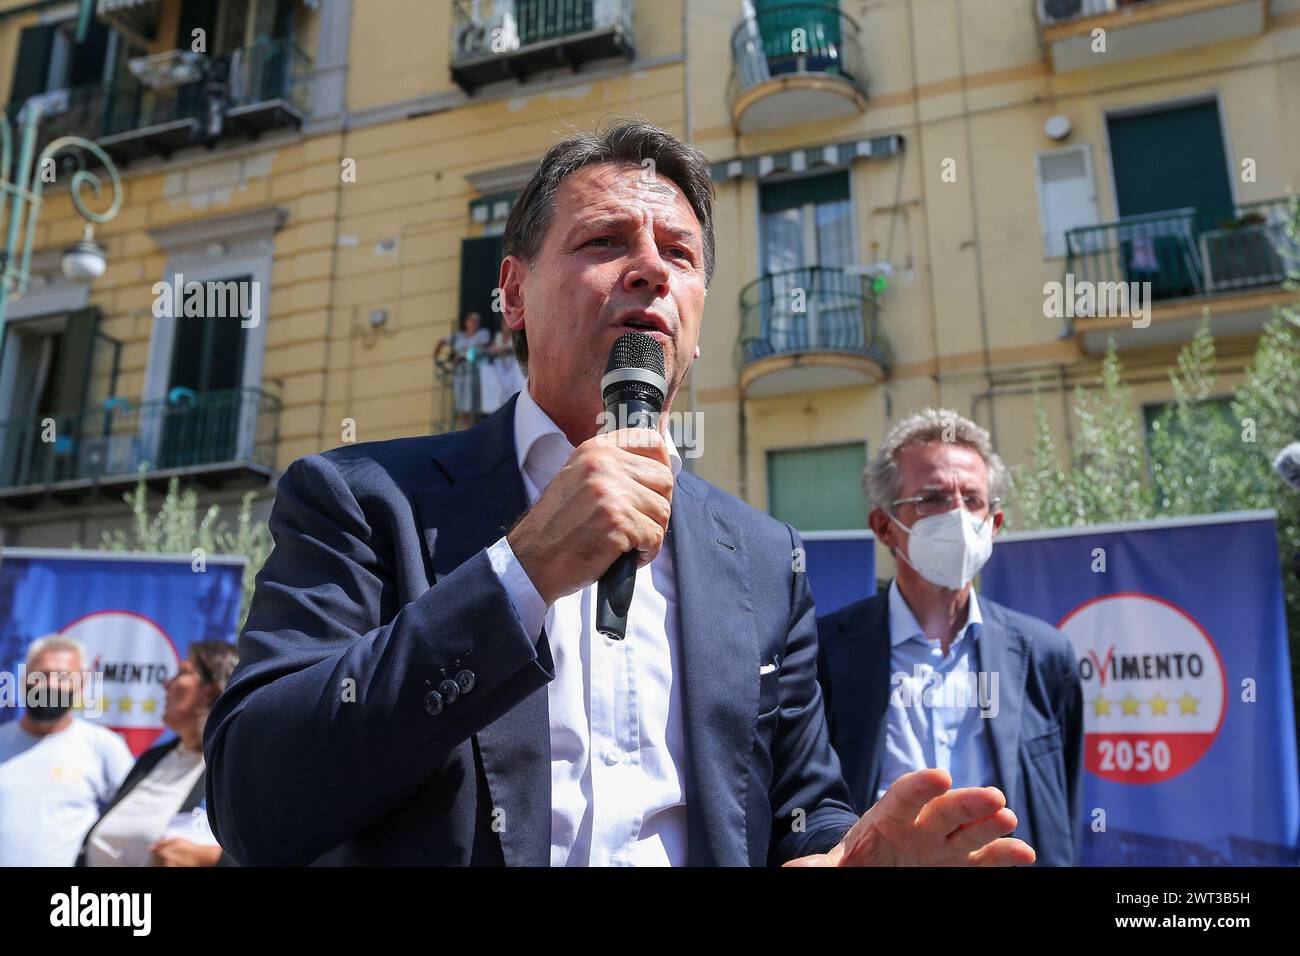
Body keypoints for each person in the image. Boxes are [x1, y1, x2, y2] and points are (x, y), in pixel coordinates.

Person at [204, 119, 1036, 867]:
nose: (650, 269)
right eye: (605, 241)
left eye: (680, 254)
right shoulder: (362, 498)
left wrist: (841, 853)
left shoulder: (761, 552)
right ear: (515, 294)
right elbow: (255, 802)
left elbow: (798, 803)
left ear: (699, 320)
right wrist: (520, 573)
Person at [816, 409, 1084, 865]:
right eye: (933, 498)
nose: (957, 515)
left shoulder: (1044, 655)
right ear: (884, 526)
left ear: (993, 526)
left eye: (974, 500)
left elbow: (1063, 800)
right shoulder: (825, 652)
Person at [77, 641, 239, 867]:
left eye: (182, 673)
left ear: (211, 692)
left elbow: (269, 853)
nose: (166, 684)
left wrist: (214, 860)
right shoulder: (153, 759)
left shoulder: (233, 770)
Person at [0, 635, 134, 866]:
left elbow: (135, 818)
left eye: (63, 677)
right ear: (23, 680)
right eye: (41, 675)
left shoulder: (103, 746)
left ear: (81, 686)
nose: (50, 685)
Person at [435, 311, 492, 429]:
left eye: (477, 321)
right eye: (472, 320)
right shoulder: (458, 336)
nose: (474, 323)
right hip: (460, 374)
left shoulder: (482, 333)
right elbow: (442, 342)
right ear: (466, 322)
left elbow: (484, 346)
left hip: (474, 373)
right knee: (461, 403)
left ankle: (473, 429)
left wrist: (462, 356)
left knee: (473, 404)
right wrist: (435, 357)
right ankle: (466, 429)